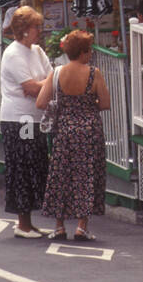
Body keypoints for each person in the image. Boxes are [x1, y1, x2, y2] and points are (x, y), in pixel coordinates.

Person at [37, 29, 110, 241]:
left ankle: (59, 226)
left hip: (65, 131)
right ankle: (82, 227)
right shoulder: (94, 73)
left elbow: (41, 102)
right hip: (89, 131)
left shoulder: (57, 72)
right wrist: (88, 104)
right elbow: (105, 103)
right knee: (86, 176)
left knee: (61, 176)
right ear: (84, 52)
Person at [0, 6, 52, 238]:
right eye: (36, 27)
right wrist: (48, 82)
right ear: (23, 30)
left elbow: (49, 77)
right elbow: (31, 87)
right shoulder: (13, 53)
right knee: (23, 165)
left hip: (33, 118)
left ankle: (28, 221)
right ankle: (22, 223)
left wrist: (47, 82)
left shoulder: (37, 51)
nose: (39, 31)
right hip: (20, 119)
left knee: (36, 164)